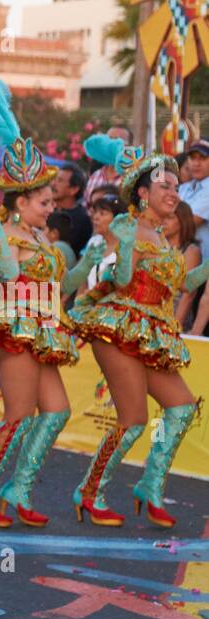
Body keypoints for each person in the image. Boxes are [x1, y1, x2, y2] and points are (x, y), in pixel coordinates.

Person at [0, 80, 98, 528]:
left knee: (56, 412)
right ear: (19, 203)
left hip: (43, 326)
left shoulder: (40, 236)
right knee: (17, 416)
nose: (51, 208)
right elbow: (11, 277)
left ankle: (17, 488)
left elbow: (61, 283)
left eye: (52, 200)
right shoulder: (9, 235)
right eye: (44, 201)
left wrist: (88, 262)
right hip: (12, 327)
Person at [68, 133, 208, 527]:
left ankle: (150, 484)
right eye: (165, 185)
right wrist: (126, 246)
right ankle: (90, 491)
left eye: (177, 187)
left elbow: (185, 284)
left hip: (154, 333)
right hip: (119, 328)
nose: (174, 192)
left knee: (180, 409)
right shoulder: (125, 227)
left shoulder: (164, 238)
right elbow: (122, 277)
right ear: (143, 192)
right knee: (133, 420)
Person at [167, 200, 201, 330]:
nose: (163, 221)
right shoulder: (157, 246)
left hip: (174, 320)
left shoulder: (191, 250)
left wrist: (175, 326)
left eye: (169, 217)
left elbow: (188, 294)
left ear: (182, 221)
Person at [175, 138, 209, 259]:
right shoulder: (185, 187)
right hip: (182, 261)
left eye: (203, 158)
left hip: (203, 268)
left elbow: (188, 222)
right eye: (192, 158)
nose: (196, 163)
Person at [51, 162, 93, 255]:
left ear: (73, 189)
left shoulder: (82, 220)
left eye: (60, 181)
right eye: (54, 179)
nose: (53, 184)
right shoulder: (47, 210)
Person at [84, 126, 129, 202]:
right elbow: (87, 205)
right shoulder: (95, 175)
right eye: (109, 139)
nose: (111, 143)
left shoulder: (133, 177)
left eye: (117, 140)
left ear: (129, 145)